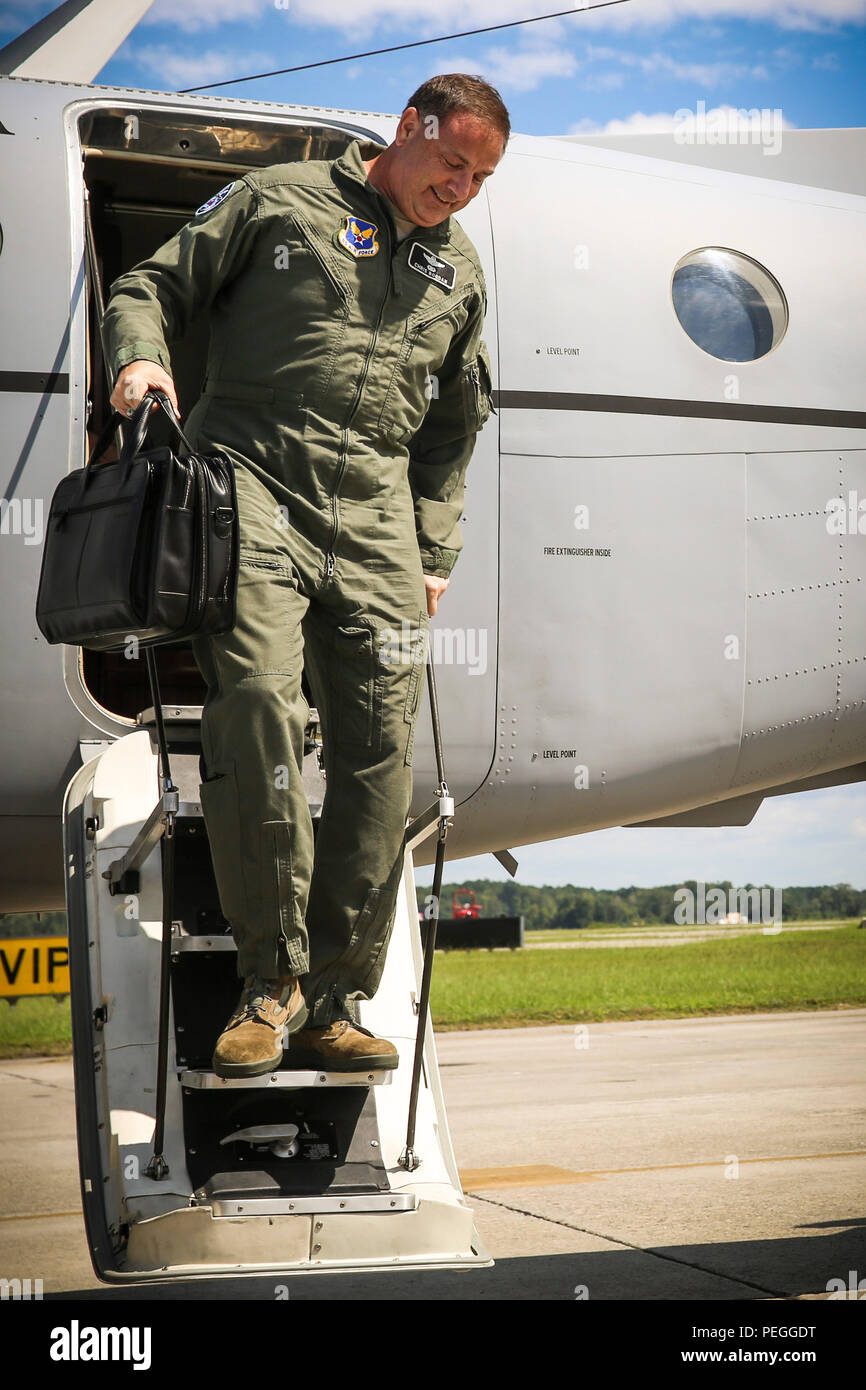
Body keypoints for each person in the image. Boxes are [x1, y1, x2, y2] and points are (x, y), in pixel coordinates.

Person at [103, 73, 509, 1078]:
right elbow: (148, 284)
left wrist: (434, 549)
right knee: (257, 708)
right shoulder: (278, 200)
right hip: (249, 484)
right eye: (452, 162)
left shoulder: (455, 272)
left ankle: (335, 1000)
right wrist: (141, 358)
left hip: (374, 521)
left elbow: (455, 429)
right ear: (407, 128)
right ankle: (267, 984)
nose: (461, 188)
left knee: (379, 751)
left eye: (481, 176)